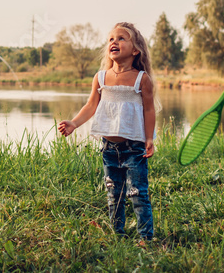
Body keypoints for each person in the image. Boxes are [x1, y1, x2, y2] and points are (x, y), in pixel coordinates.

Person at [58, 22, 158, 242]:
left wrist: (149, 138)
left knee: (138, 194)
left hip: (135, 147)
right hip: (109, 148)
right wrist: (74, 123)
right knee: (114, 194)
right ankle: (118, 235)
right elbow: (91, 105)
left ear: (135, 50)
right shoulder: (101, 77)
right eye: (111, 39)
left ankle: (145, 238)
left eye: (122, 38)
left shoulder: (141, 79)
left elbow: (149, 110)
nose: (114, 41)